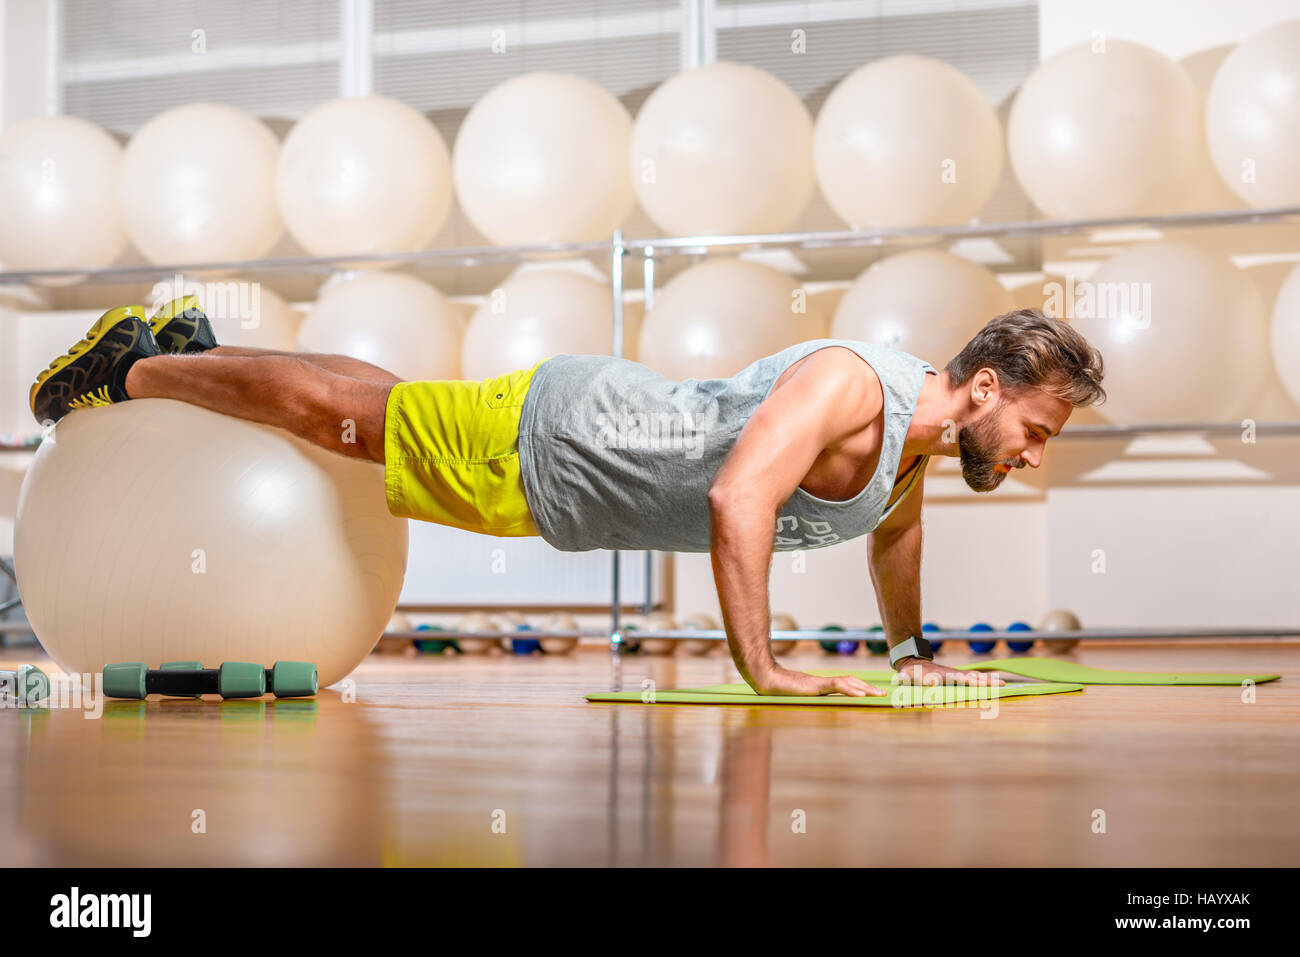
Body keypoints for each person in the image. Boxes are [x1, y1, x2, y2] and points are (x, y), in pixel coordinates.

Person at [30, 295, 1104, 696]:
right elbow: (740, 500)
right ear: (983, 387)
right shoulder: (852, 384)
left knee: (382, 406)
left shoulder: (916, 446)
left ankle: (189, 347)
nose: (1031, 457)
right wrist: (765, 669)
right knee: (339, 425)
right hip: (566, 445)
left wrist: (908, 652)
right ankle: (128, 371)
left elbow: (891, 544)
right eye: (1036, 433)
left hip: (566, 461)